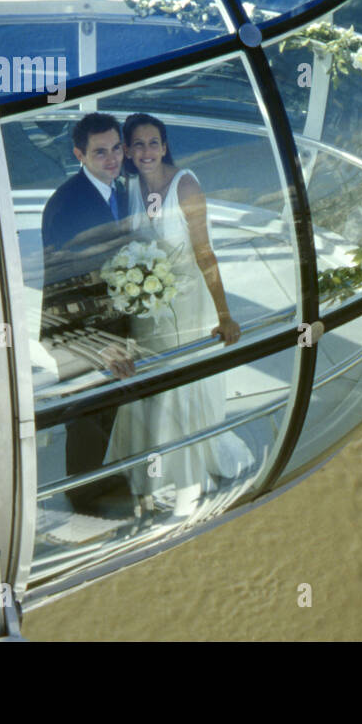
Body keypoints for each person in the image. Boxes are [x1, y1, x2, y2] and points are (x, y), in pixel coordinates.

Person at [107, 113, 253, 518]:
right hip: (144, 308)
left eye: (153, 143)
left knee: (179, 381)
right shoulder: (129, 186)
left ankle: (181, 469)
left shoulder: (185, 186)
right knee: (148, 378)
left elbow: (205, 253)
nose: (146, 152)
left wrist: (225, 315)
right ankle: (146, 463)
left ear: (165, 146)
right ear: (128, 151)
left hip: (186, 303)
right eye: (137, 145)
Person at [40, 112, 137, 515]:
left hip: (111, 318)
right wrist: (95, 345)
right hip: (80, 327)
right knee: (85, 412)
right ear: (79, 153)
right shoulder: (66, 205)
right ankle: (81, 495)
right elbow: (66, 283)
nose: (112, 158)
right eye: (101, 152)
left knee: (106, 405)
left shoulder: (120, 190)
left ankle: (95, 475)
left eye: (116, 148)